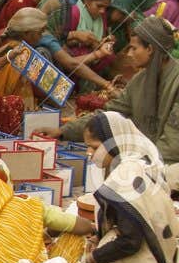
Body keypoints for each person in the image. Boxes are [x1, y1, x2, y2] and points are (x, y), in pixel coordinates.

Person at [78, 112, 179, 263]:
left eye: (94, 147)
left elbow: (130, 242)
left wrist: (92, 258)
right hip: (163, 250)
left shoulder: (125, 177)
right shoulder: (139, 162)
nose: (89, 153)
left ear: (113, 142)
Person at [63, 14, 179, 162]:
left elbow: (173, 144)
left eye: (134, 48)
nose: (130, 54)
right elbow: (109, 114)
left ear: (149, 49)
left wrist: (141, 167)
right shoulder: (140, 80)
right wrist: (64, 131)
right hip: (150, 161)